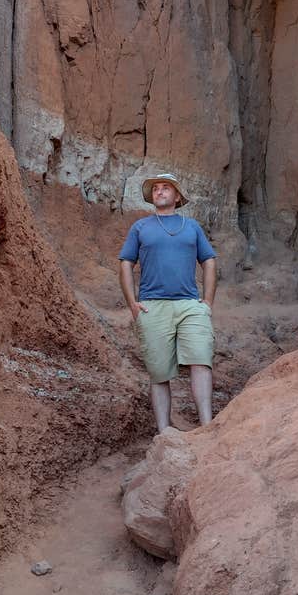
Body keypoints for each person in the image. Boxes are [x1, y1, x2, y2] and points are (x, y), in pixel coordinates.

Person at [118, 173, 217, 433]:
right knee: (159, 372)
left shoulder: (192, 226)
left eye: (165, 188)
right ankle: (164, 433)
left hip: (189, 305)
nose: (159, 192)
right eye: (156, 189)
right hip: (152, 306)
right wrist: (132, 304)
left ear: (177, 196)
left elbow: (208, 261)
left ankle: (207, 427)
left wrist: (206, 301)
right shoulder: (140, 227)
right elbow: (126, 263)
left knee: (201, 359)